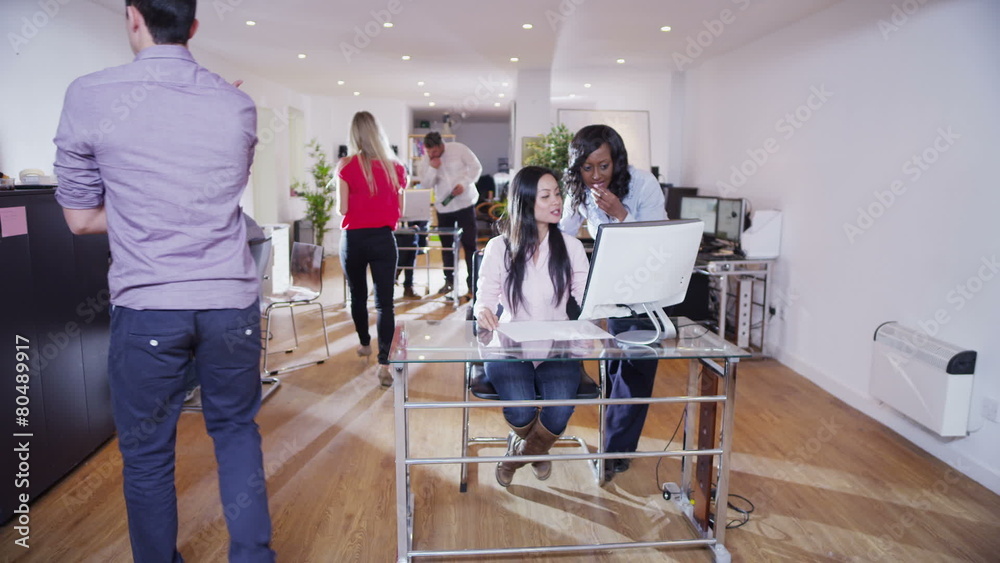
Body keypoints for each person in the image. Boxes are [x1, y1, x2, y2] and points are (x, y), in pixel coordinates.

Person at [52, 1, 275, 560]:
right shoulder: (236, 104)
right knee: (236, 432)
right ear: (192, 27)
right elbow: (218, 198)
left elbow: (80, 219)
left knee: (148, 454)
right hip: (230, 304)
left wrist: (140, 204)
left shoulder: (89, 94)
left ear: (133, 17)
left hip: (149, 306)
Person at [558, 124, 667, 482]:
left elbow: (660, 241)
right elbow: (564, 231)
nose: (595, 176)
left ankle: (615, 450)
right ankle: (612, 443)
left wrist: (621, 214)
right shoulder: (580, 188)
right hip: (609, 282)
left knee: (635, 366)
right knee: (615, 363)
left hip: (646, 284)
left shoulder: (643, 184)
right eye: (587, 168)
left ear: (617, 160)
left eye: (603, 166)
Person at [474, 166, 590, 487]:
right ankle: (537, 450)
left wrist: (602, 310)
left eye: (558, 194)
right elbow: (484, 299)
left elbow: (588, 299)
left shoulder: (571, 247)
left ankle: (518, 455)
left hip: (558, 346)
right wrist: (482, 310)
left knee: (559, 410)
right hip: (509, 344)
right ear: (525, 202)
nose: (557, 201)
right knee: (521, 412)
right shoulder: (499, 247)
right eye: (546, 196)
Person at [336, 111, 407, 387]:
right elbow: (400, 210)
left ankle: (365, 343)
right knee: (385, 304)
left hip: (353, 239)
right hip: (383, 239)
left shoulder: (345, 165)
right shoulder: (395, 167)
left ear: (354, 134)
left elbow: (342, 208)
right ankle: (384, 365)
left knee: (357, 296)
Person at [417, 131, 482, 297]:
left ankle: (473, 283)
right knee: (446, 246)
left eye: (434, 151)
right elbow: (426, 184)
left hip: (465, 203)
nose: (432, 154)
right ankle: (450, 282)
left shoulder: (459, 149)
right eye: (429, 151)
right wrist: (433, 168)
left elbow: (476, 167)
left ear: (441, 145)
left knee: (469, 244)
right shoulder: (426, 161)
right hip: (443, 208)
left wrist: (464, 183)